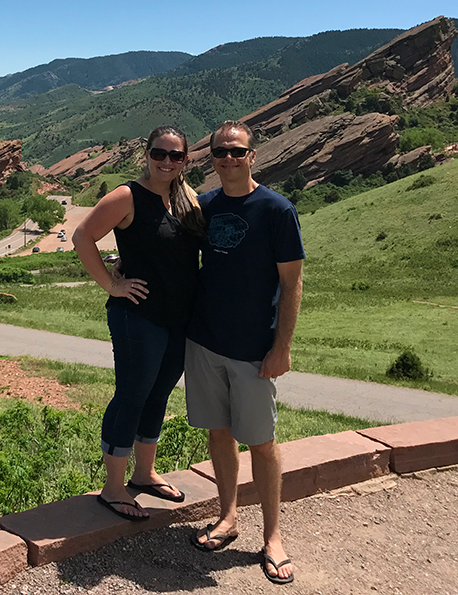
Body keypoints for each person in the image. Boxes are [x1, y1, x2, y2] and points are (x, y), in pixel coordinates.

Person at [185, 120, 304, 585]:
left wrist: (282, 347)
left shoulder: (276, 210)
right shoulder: (204, 205)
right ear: (211, 157)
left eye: (238, 152)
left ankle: (273, 536)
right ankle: (228, 515)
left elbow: (292, 283)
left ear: (253, 156)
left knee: (262, 442)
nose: (229, 159)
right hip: (205, 341)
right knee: (218, 434)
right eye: (221, 152)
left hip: (255, 348)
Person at [73, 126, 204, 520]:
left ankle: (144, 473)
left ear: (186, 160)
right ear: (146, 155)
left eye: (175, 155)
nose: (166, 161)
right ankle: (113, 487)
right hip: (138, 316)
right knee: (132, 393)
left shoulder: (185, 200)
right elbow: (83, 236)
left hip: (178, 317)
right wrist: (112, 285)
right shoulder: (128, 196)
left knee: (158, 393)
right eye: (159, 153)